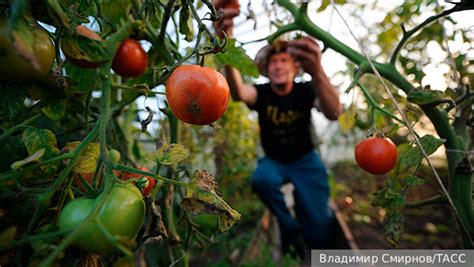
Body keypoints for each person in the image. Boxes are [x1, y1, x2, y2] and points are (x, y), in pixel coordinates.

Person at [213, 1, 343, 258]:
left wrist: (317, 71)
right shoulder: (261, 93)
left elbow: (333, 111)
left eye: (284, 60)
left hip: (306, 162)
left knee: (320, 232)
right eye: (272, 62)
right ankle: (289, 227)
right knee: (261, 179)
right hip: (274, 162)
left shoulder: (307, 89)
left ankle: (309, 226)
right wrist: (225, 40)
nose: (278, 65)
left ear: (295, 67)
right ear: (266, 69)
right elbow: (238, 93)